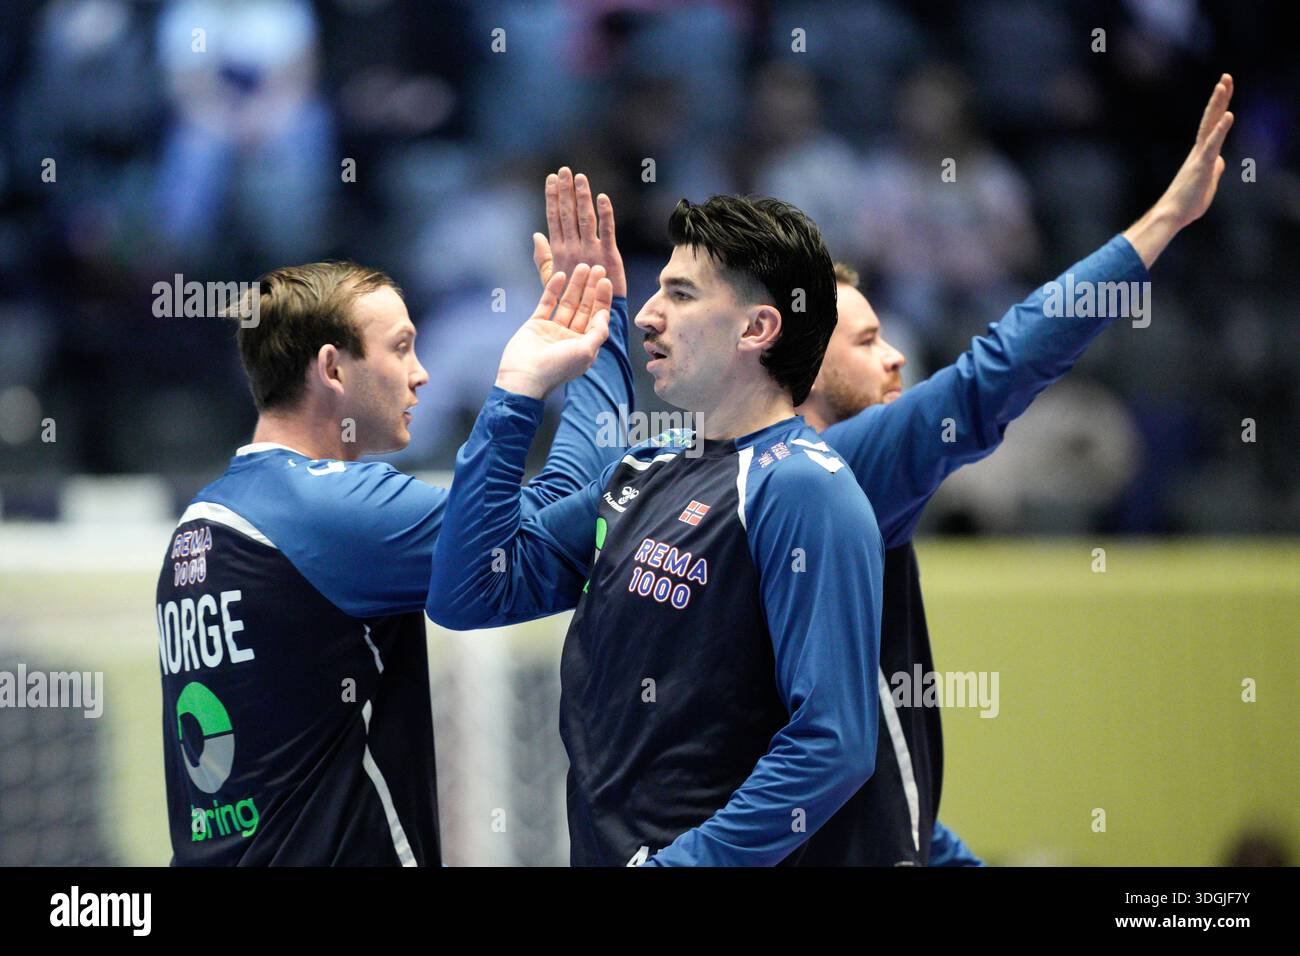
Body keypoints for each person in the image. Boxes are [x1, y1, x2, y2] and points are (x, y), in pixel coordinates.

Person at [788, 73, 1236, 866]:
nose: (894, 356)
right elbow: (995, 368)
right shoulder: (834, 469)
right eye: (863, 343)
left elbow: (886, 799)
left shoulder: (803, 491)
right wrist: (1166, 219)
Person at [153, 172, 633, 865]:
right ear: (333, 369)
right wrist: (571, 363)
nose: (423, 374)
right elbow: (547, 543)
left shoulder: (199, 527)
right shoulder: (333, 513)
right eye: (402, 346)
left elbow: (533, 521)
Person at [427, 196, 886, 866]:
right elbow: (469, 592)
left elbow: (833, 744)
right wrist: (518, 393)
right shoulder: (649, 464)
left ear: (757, 328)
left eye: (680, 293)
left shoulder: (803, 487)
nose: (648, 312)